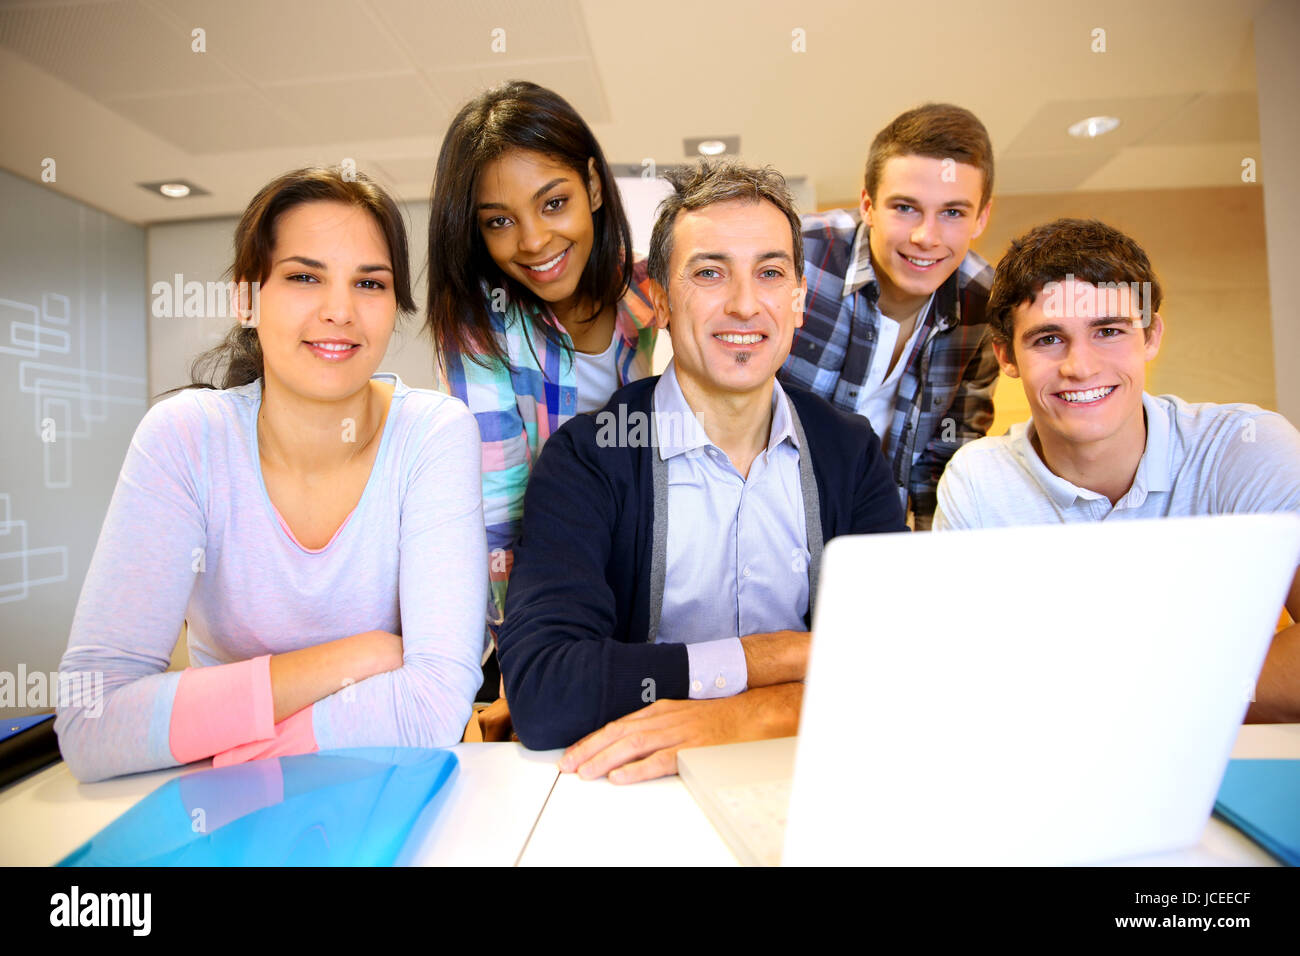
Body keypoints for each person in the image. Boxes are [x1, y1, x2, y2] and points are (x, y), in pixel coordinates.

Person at [54, 167, 488, 782]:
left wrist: (233, 736)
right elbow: (92, 723)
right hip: (219, 813)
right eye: (304, 277)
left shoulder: (432, 436)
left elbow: (433, 705)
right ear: (246, 298)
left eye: (369, 282)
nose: (339, 311)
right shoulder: (186, 438)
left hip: (387, 789)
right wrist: (364, 655)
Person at [497, 161, 908, 783]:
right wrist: (777, 656)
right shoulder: (589, 457)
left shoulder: (851, 454)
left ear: (798, 300)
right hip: (635, 795)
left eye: (770, 273)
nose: (745, 305)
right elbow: (548, 693)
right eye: (710, 273)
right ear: (660, 300)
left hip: (819, 783)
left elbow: (901, 669)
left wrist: (747, 715)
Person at [934, 218, 1300, 722]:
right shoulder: (977, 482)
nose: (1080, 366)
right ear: (1006, 356)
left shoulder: (1244, 446)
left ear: (1150, 336)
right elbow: (964, 681)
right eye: (1047, 339)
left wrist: (1144, 702)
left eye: (1108, 331)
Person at [427, 80, 656, 738]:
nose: (532, 241)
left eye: (552, 202)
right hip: (545, 607)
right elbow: (501, 514)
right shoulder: (482, 325)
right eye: (499, 220)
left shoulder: (643, 288)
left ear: (591, 183)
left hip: (639, 588)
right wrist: (524, 660)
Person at [778, 103, 997, 529]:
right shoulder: (795, 254)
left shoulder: (984, 300)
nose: (926, 237)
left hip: (876, 527)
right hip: (765, 512)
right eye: (905, 207)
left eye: (953, 212)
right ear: (868, 204)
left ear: (981, 217)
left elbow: (950, 450)